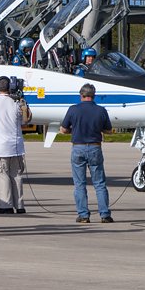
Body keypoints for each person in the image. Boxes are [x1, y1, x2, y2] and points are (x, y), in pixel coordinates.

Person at [59, 83, 114, 223]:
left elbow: (63, 130)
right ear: (94, 95)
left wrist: (74, 130)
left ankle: (83, 215)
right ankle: (104, 214)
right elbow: (108, 130)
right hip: (95, 147)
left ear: (81, 95)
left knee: (79, 184)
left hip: (78, 147)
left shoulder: (73, 109)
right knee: (100, 183)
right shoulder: (101, 110)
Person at [0, 76, 32, 214]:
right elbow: (27, 120)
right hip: (16, 145)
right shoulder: (17, 103)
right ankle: (19, 205)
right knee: (16, 175)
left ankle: (5, 204)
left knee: (1, 175)